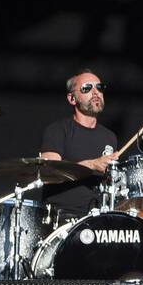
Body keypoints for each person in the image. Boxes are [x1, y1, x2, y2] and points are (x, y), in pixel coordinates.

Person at [38, 68, 118, 216]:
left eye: (99, 87)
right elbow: (47, 175)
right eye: (87, 88)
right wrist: (92, 165)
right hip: (62, 219)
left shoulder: (109, 137)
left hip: (98, 219)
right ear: (72, 99)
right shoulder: (58, 130)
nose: (95, 92)